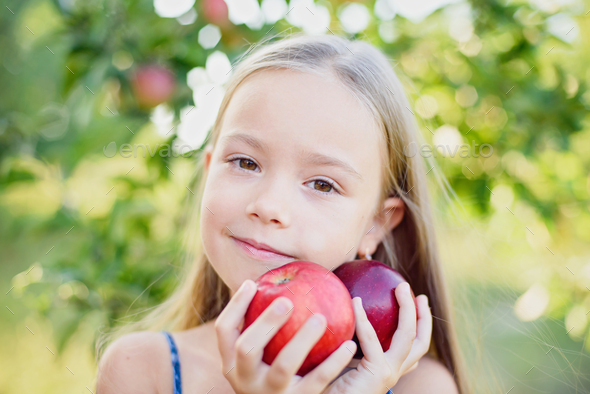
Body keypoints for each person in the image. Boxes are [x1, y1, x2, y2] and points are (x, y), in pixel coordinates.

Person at [95, 32, 469, 393]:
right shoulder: (141, 371)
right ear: (208, 172)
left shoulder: (421, 386)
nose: (269, 206)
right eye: (245, 162)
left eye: (322, 184)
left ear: (375, 225)